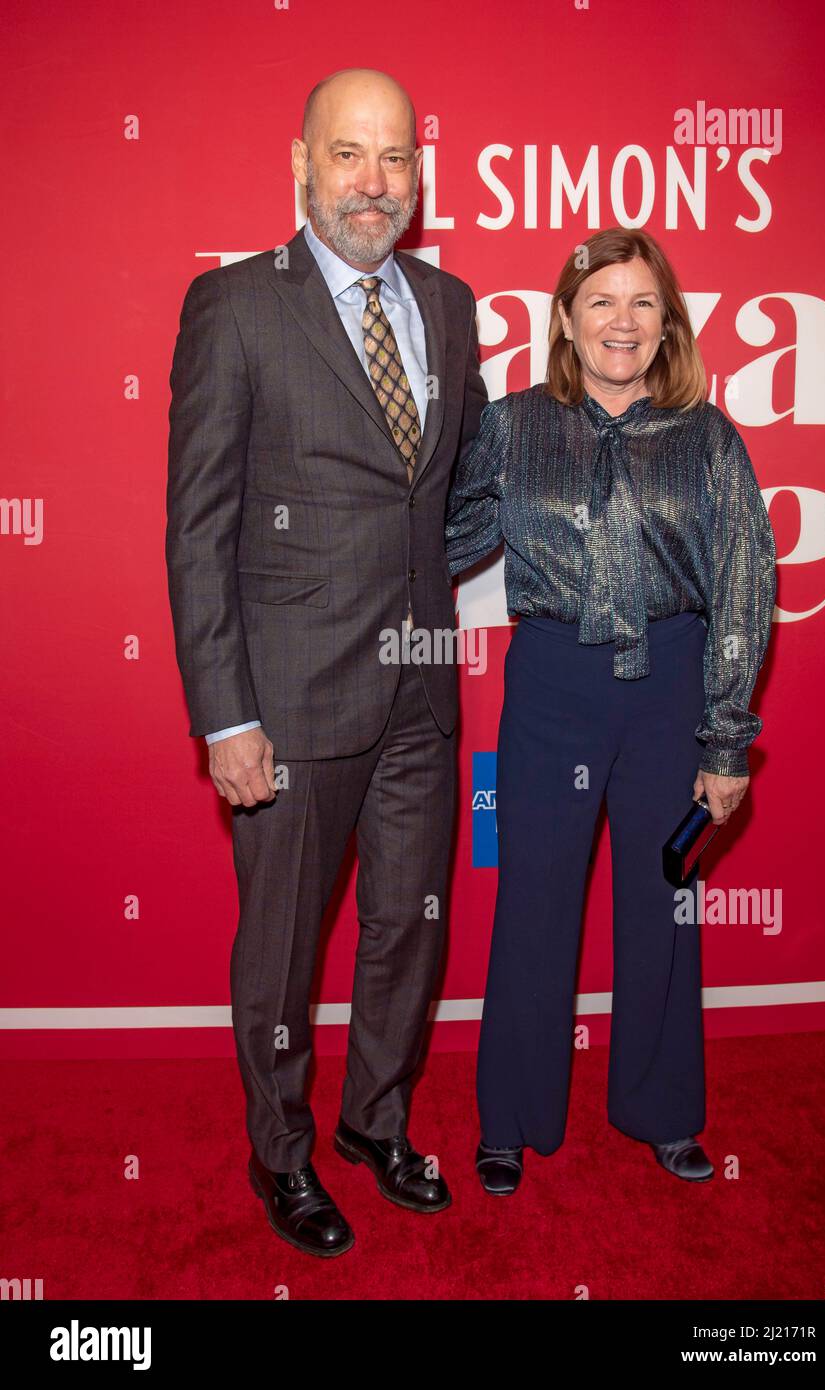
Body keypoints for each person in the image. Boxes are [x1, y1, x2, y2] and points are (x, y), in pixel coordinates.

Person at [166, 67, 488, 1256]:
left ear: (419, 174)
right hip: (289, 703)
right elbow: (196, 527)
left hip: (419, 687)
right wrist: (223, 714)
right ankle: (283, 1151)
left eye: (395, 157)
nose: (374, 181)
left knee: (408, 923)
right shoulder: (237, 306)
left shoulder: (450, 307)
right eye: (347, 154)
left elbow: (452, 493)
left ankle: (376, 1121)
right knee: (285, 946)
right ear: (299, 165)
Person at [445, 228, 776, 1194]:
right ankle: (510, 1117)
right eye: (600, 303)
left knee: (667, 903)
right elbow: (442, 536)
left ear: (667, 323)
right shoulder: (511, 426)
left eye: (641, 304)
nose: (620, 322)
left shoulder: (709, 437)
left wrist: (727, 737)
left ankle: (663, 1108)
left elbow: (745, 584)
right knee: (531, 901)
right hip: (549, 692)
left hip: (673, 695)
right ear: (565, 319)